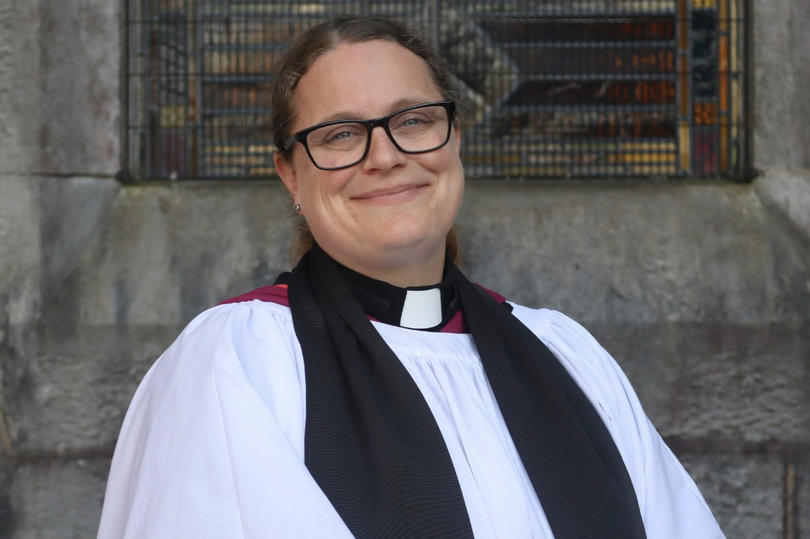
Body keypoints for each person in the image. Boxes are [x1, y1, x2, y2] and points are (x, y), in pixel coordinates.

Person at [97, 16, 725, 539]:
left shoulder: (567, 357)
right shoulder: (240, 362)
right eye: (340, 134)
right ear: (291, 176)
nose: (386, 156)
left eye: (414, 120)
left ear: (455, 139)